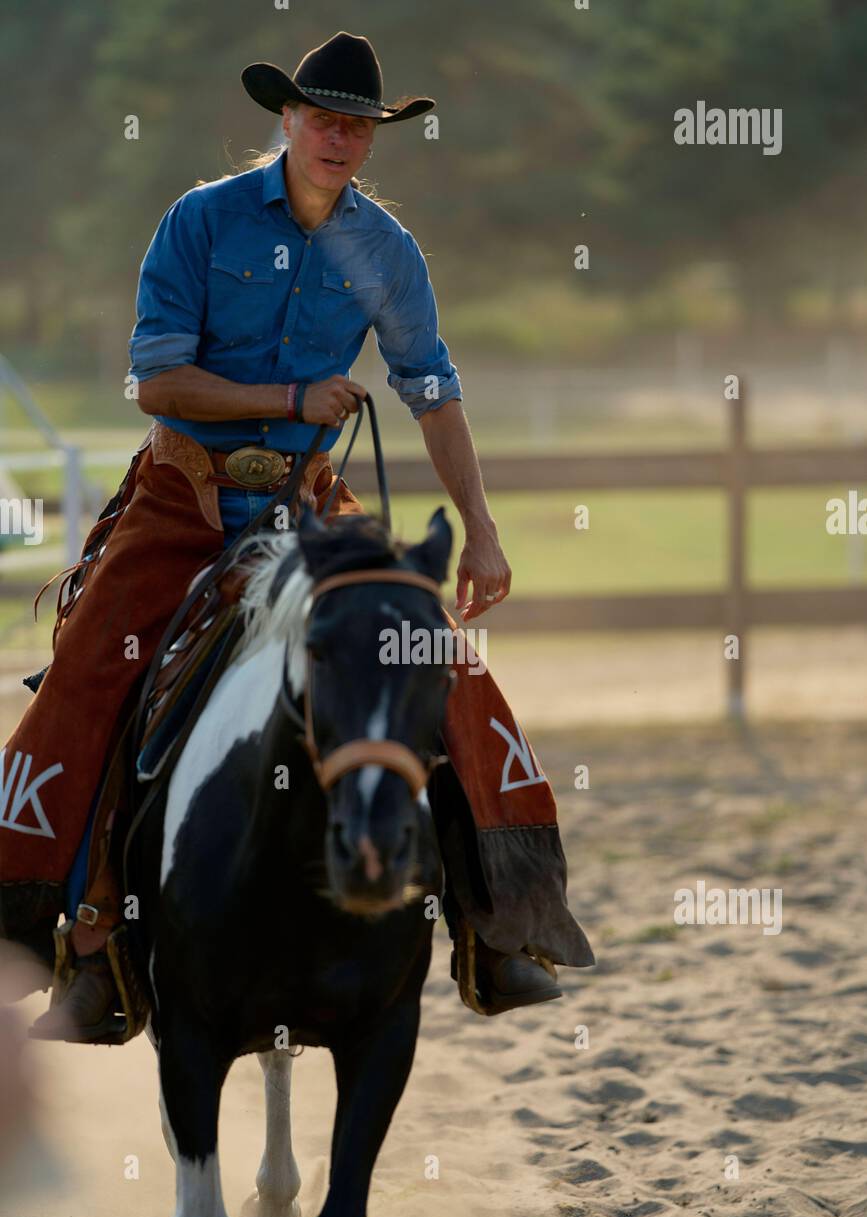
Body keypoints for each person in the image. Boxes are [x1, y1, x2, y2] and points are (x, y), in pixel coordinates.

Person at [1, 31, 593, 1041]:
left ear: (372, 139)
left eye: (357, 125)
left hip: (312, 508)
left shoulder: (388, 254)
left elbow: (435, 396)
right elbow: (157, 381)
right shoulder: (199, 221)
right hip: (182, 498)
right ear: (287, 121)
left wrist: (483, 535)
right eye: (323, 119)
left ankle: (498, 926)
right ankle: (73, 937)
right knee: (92, 668)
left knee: (439, 661)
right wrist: (288, 394)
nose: (340, 138)